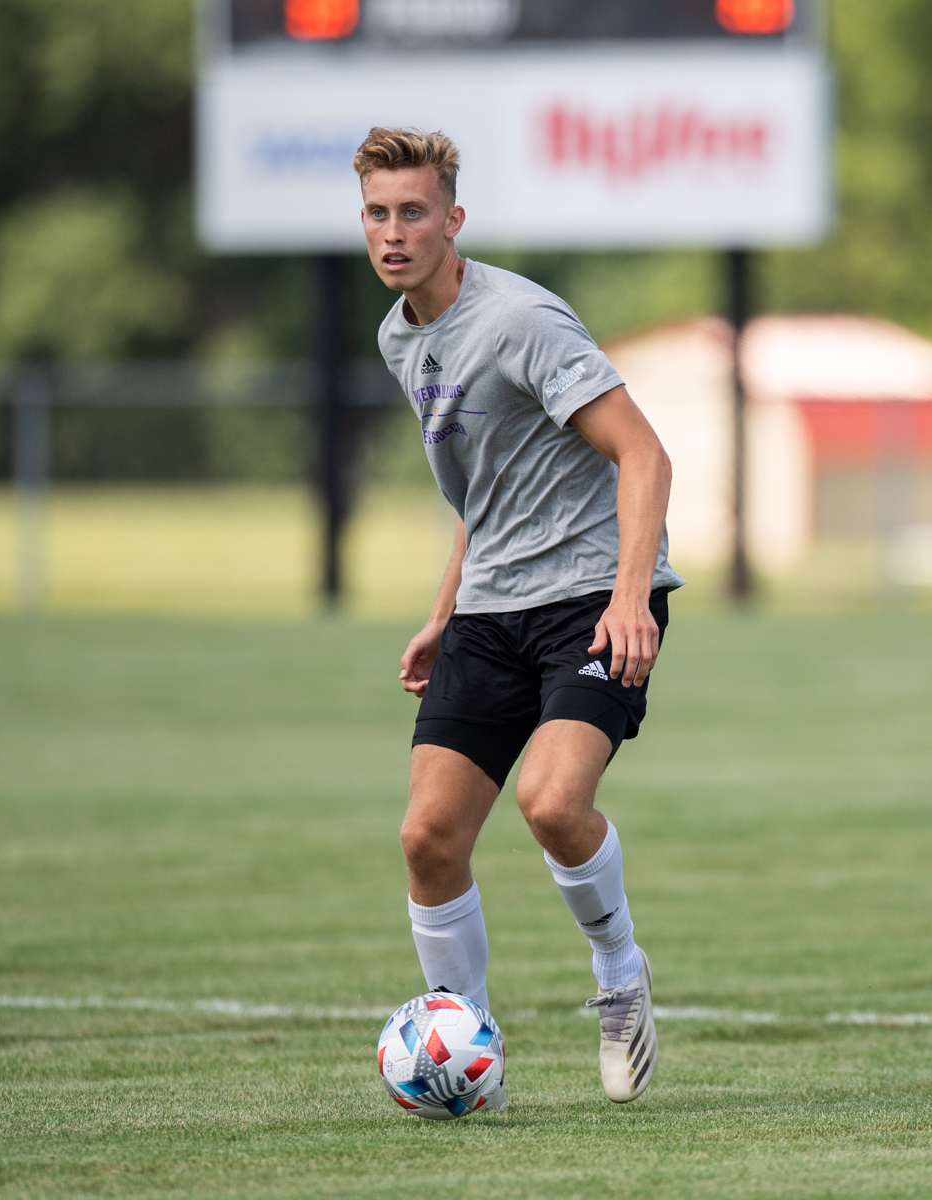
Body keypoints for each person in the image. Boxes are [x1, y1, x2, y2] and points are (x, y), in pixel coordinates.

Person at [357, 126, 682, 1106]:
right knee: (428, 838)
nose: (394, 233)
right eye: (377, 214)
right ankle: (468, 1055)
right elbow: (486, 489)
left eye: (414, 213)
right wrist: (442, 610)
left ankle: (620, 974)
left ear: (453, 219)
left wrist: (631, 598)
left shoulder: (520, 321)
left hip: (591, 598)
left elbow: (645, 455)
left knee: (550, 803)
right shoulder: (399, 337)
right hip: (490, 609)